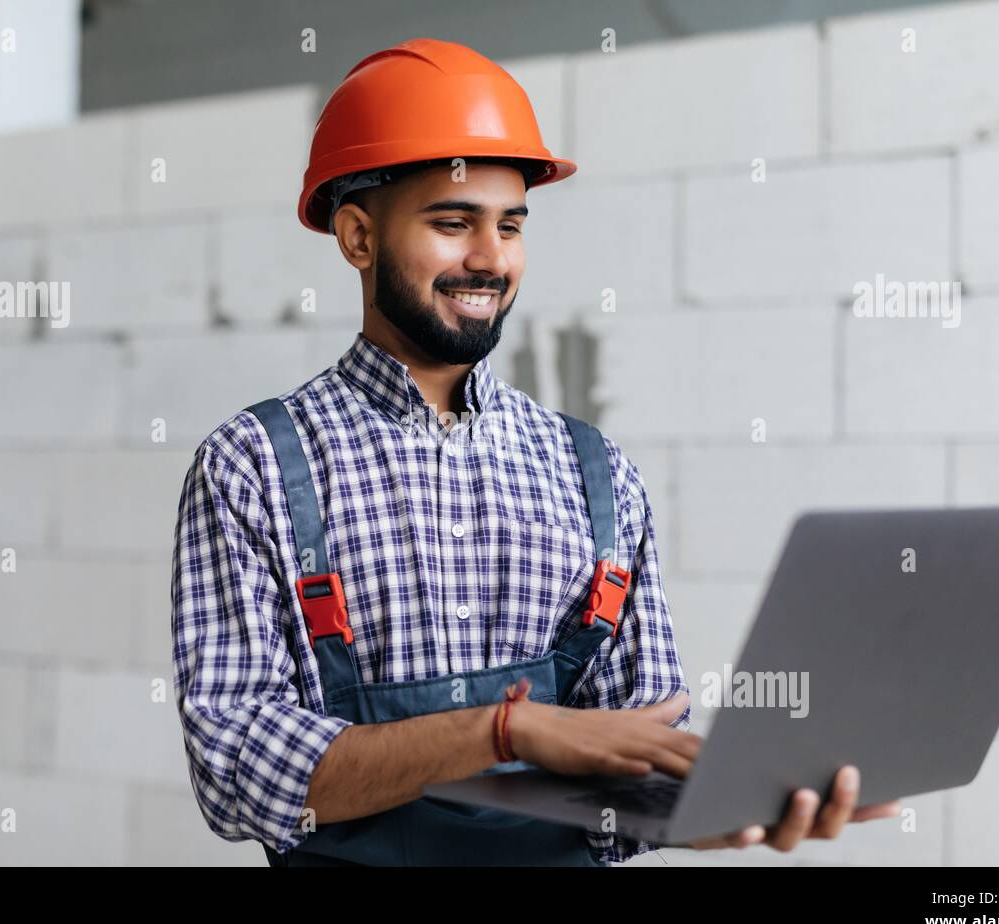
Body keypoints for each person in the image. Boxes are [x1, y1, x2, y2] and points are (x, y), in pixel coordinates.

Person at [172, 37, 900, 867]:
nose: (490, 258)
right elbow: (235, 775)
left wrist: (716, 807)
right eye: (454, 223)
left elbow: (642, 745)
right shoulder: (252, 467)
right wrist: (504, 731)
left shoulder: (594, 474)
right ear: (357, 237)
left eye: (510, 225)